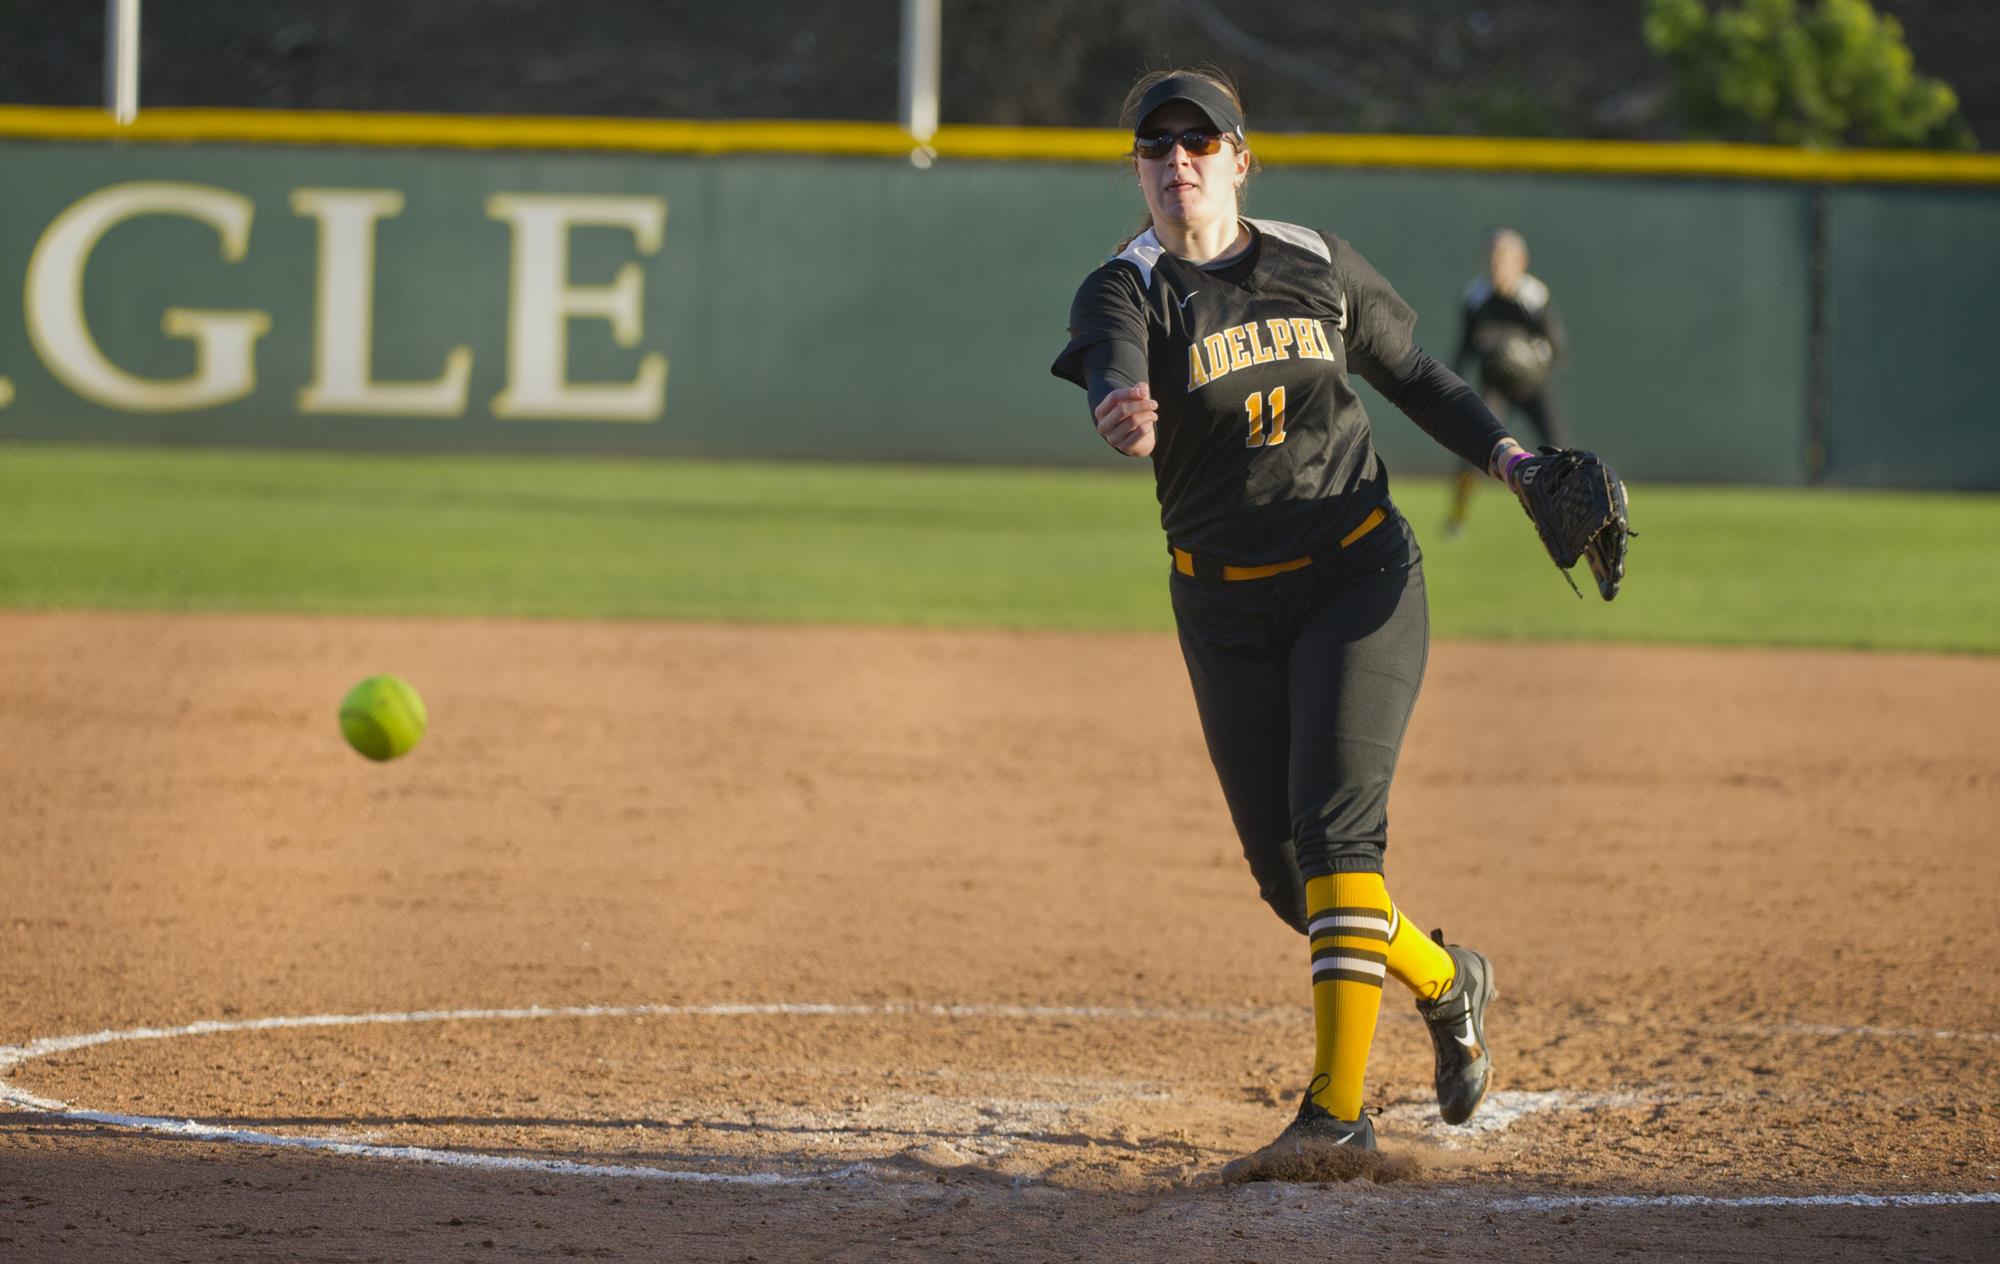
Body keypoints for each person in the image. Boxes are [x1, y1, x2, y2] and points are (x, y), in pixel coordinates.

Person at [1050, 68, 1537, 1155]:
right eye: (1155, 146)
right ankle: (1447, 979)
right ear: (1137, 169)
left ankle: (1334, 1115)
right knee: (1292, 882)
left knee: (1334, 836)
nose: (1176, 161)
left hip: (1355, 577)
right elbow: (1113, 370)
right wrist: (1119, 409)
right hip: (1222, 611)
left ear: (1238, 158)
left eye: (1198, 141)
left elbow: (1412, 374)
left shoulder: (1312, 260)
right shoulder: (1122, 289)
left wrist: (1511, 458)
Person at [1443, 227, 1569, 536]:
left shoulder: (1533, 297)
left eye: (1504, 256)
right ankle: (1457, 518)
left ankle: (1568, 517)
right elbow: (1464, 349)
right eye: (1492, 256)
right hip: (1495, 386)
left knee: (1561, 451)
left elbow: (1557, 346)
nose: (1497, 262)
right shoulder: (1476, 298)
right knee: (1474, 450)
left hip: (1532, 386)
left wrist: (1531, 358)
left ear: (1521, 261)